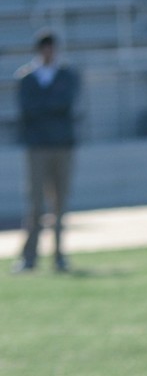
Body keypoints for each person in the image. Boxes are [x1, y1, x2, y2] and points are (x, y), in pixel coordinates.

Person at [13, 30, 80, 273]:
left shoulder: (67, 75)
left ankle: (59, 255)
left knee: (60, 204)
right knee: (35, 204)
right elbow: (28, 109)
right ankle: (29, 257)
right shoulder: (27, 78)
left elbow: (66, 104)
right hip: (38, 147)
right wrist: (50, 107)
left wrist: (44, 108)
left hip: (62, 145)